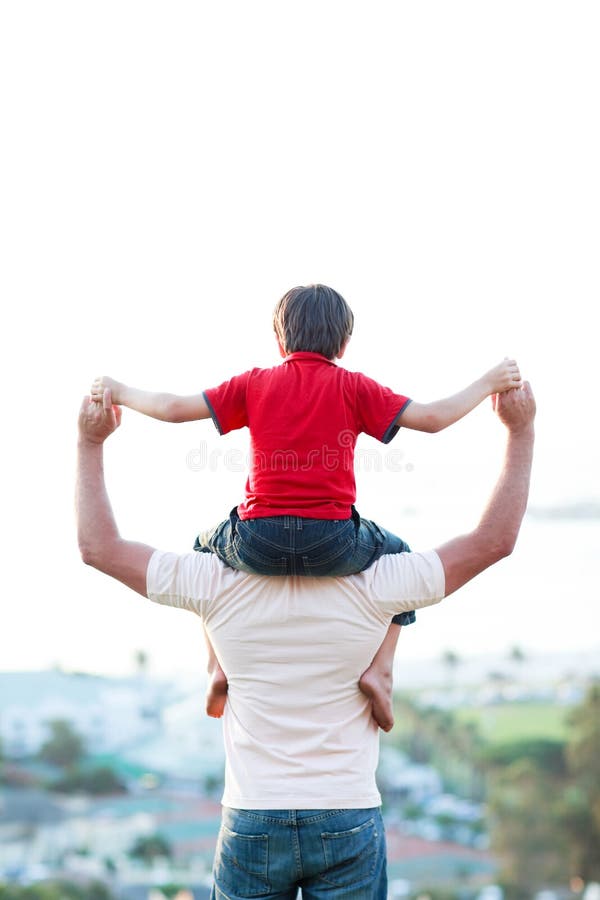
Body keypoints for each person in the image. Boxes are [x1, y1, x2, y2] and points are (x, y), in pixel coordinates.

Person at [77, 381, 535, 899]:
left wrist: (90, 443)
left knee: (200, 555)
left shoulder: (212, 580)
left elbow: (100, 547)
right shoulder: (380, 580)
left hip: (253, 815)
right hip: (347, 812)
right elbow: (493, 540)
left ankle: (216, 666)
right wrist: (520, 431)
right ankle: (379, 669)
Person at [90, 284, 522, 729]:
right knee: (399, 552)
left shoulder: (254, 383)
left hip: (258, 541)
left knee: (203, 546)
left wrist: (120, 391)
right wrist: (489, 381)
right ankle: (382, 668)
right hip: (333, 543)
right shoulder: (353, 387)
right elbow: (433, 419)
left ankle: (217, 665)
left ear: (279, 341)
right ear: (344, 343)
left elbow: (174, 408)